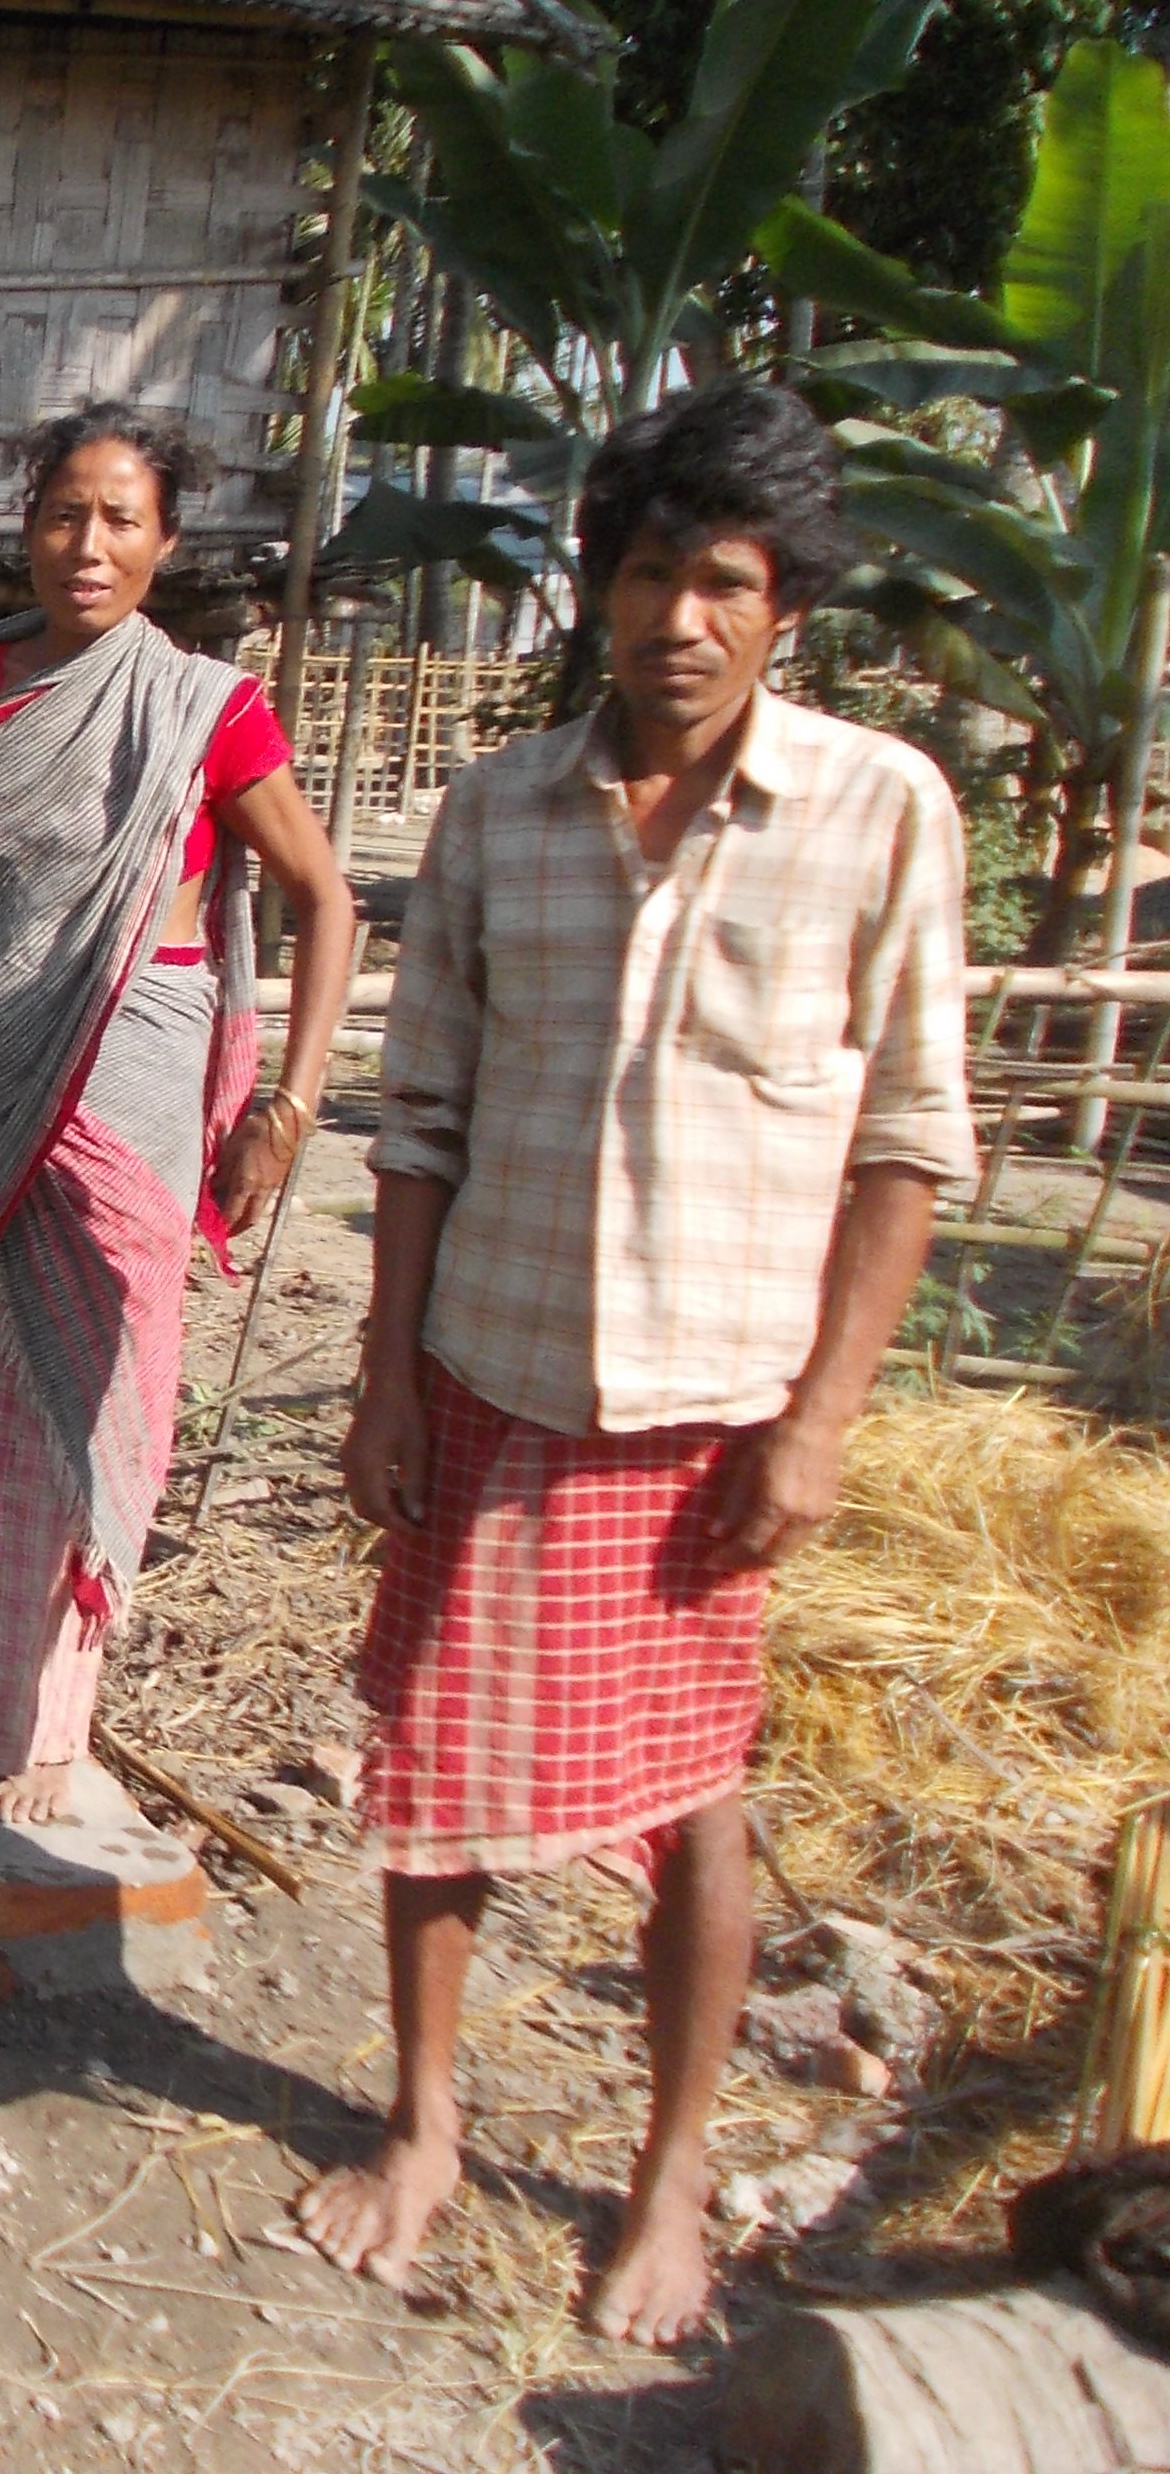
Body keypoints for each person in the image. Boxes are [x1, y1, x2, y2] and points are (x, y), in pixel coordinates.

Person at [301, 380, 974, 2347]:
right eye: (651, 572)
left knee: (693, 1809)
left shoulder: (877, 810)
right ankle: (422, 2128)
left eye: (728, 582)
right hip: (495, 1368)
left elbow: (911, 1140)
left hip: (714, 1413)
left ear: (786, 610)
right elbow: (416, 1115)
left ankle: (665, 2186)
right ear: (599, 585)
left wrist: (825, 1419)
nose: (681, 616)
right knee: (436, 1774)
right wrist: (385, 1381)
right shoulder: (499, 808)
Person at [0, 406, 357, 1827]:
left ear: (166, 544)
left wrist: (291, 1105)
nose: (88, 547)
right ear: (27, 527)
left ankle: (49, 1732)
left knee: (96, 1403)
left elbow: (328, 902)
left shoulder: (210, 708)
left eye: (121, 520)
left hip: (129, 1089)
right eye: (63, 515)